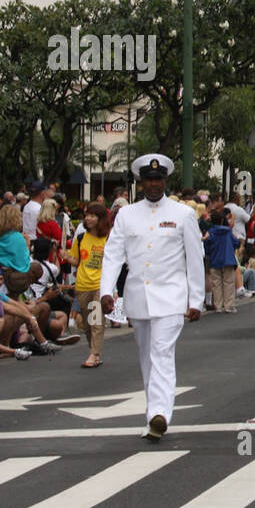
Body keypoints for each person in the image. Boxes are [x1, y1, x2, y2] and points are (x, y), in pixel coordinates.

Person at [99, 155, 205, 441]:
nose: (154, 184)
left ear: (166, 181)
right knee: (147, 356)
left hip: (171, 297)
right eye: (148, 179)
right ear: (141, 181)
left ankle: (160, 413)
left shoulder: (182, 214)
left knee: (161, 353)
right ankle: (153, 415)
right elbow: (113, 255)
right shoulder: (127, 214)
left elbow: (195, 259)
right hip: (138, 298)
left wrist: (196, 300)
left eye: (158, 179)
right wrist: (106, 291)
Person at [69, 203, 111, 367]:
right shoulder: (81, 238)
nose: (88, 218)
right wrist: (65, 256)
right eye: (87, 215)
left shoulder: (108, 238)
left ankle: (93, 355)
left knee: (96, 321)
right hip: (82, 284)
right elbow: (77, 260)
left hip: (99, 284)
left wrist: (111, 289)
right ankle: (95, 351)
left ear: (100, 219)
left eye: (93, 216)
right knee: (86, 324)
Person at [203, 206, 240, 314]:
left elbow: (207, 246)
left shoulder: (210, 232)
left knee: (216, 283)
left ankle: (218, 305)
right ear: (223, 220)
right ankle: (229, 305)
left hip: (215, 260)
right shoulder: (228, 232)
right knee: (228, 283)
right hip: (228, 259)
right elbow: (236, 243)